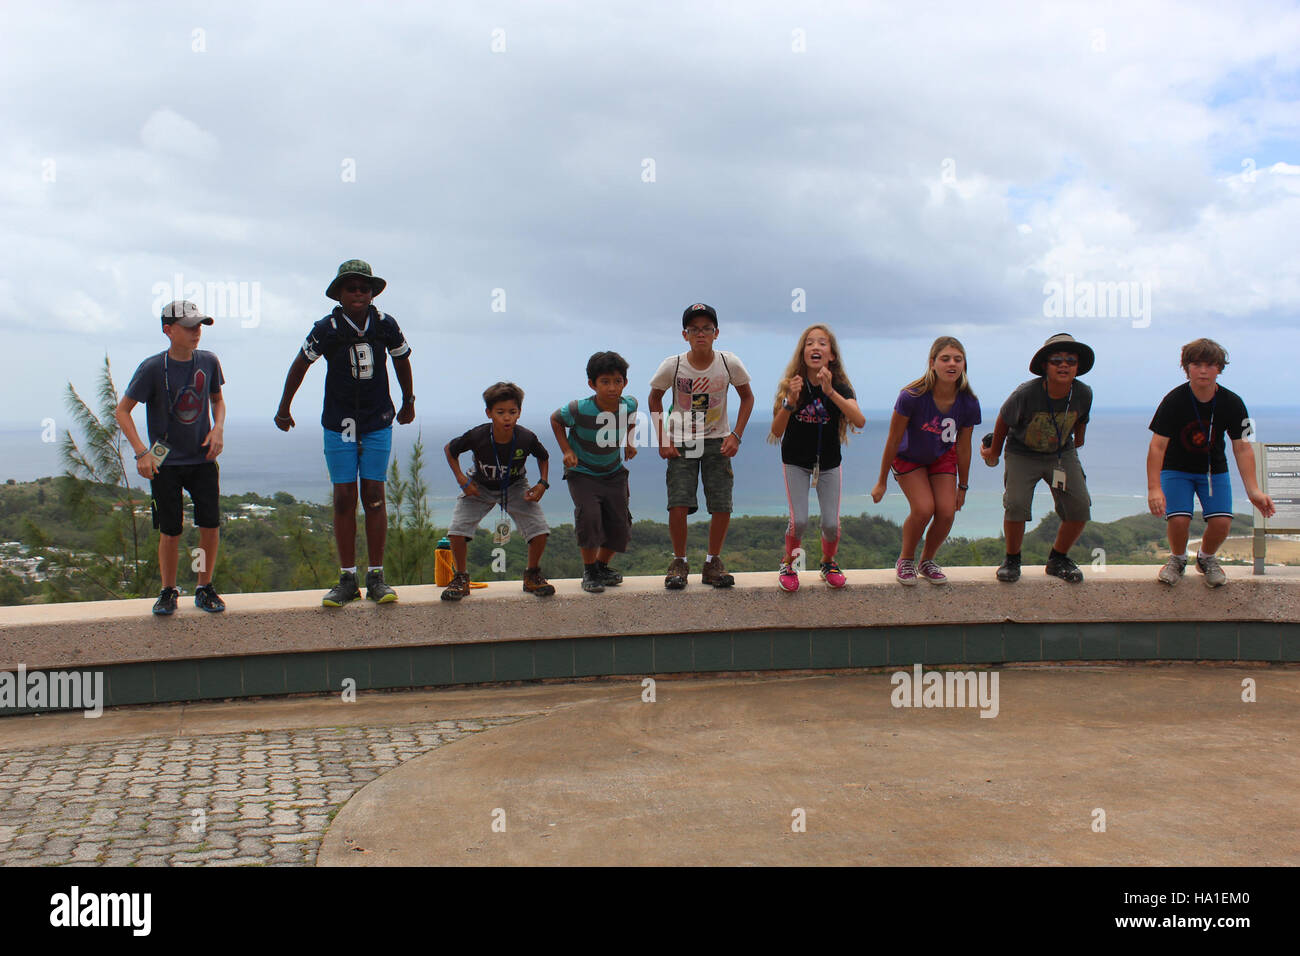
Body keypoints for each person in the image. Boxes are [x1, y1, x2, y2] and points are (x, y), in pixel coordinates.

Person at [273, 259, 415, 606]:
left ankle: (377, 576)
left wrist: (408, 400)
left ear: (371, 293)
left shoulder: (385, 325)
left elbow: (401, 360)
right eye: (351, 287)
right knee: (343, 498)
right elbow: (300, 364)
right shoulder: (327, 328)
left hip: (377, 420)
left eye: (364, 288)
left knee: (374, 494)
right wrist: (284, 407)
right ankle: (347, 577)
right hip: (339, 423)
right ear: (339, 293)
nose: (358, 293)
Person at [115, 300, 227, 615]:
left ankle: (204, 587)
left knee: (208, 525)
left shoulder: (209, 361)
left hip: (202, 458)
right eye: (190, 326)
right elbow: (122, 411)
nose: (197, 332)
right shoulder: (152, 367)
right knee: (170, 529)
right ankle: (168, 590)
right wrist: (141, 452)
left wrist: (217, 429)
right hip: (166, 462)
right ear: (169, 330)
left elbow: (218, 400)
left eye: (199, 326)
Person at [1147, 338, 1275, 587]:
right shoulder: (1174, 400)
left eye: (1210, 364)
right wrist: (1154, 488)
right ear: (1187, 368)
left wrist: (1253, 490)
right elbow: (1157, 445)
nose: (1203, 370)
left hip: (1212, 469)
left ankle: (1206, 558)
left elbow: (1242, 447)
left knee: (1222, 522)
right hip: (1176, 469)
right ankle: (1178, 559)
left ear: (1219, 368)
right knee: (1179, 519)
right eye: (1196, 364)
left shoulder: (1233, 402)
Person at [647, 303, 755, 589]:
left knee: (721, 504)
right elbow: (654, 398)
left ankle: (712, 562)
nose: (701, 334)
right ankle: (679, 562)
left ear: (716, 333)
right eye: (694, 329)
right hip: (682, 442)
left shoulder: (728, 362)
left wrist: (736, 436)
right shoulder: (673, 365)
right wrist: (663, 438)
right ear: (685, 335)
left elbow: (747, 397)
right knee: (678, 504)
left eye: (706, 328)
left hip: (717, 440)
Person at [979, 332, 1093, 583]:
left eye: (1070, 361)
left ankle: (1058, 558)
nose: (1064, 365)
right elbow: (1003, 420)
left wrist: (1076, 444)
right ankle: (1012, 559)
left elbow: (1081, 420)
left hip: (1061, 455)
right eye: (1057, 360)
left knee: (1079, 507)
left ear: (1078, 367)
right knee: (1017, 504)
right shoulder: (1026, 393)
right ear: (1045, 366)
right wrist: (994, 452)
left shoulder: (1083, 393)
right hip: (1022, 454)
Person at [871, 336, 980, 585]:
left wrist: (963, 487)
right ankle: (906, 559)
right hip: (909, 458)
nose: (951, 364)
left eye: (957, 359)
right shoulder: (911, 396)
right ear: (932, 363)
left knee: (946, 512)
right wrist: (881, 481)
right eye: (945, 359)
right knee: (923, 508)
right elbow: (893, 438)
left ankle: (927, 561)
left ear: (964, 364)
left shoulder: (969, 403)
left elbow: (964, 448)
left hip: (941, 458)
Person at [769, 324, 865, 591]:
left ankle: (828, 562)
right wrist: (790, 400)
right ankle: (789, 564)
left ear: (831, 355)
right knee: (798, 520)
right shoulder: (793, 385)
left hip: (828, 462)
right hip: (796, 461)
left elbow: (859, 420)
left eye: (822, 343)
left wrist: (830, 391)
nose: (815, 347)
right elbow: (776, 431)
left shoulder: (840, 387)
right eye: (810, 343)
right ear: (803, 353)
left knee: (831, 524)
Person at [441, 382, 555, 600]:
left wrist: (542, 483)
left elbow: (543, 456)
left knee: (540, 530)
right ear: (489, 413)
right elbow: (450, 449)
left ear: (519, 413)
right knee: (456, 530)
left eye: (512, 412)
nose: (506, 418)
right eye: (500, 412)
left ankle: (532, 575)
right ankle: (461, 578)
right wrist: (462, 479)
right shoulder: (478, 436)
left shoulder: (525, 438)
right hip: (479, 486)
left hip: (515, 486)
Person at [550, 351, 638, 593]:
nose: (612, 388)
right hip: (583, 473)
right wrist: (566, 450)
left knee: (620, 524)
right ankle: (589, 571)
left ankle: (601, 566)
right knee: (589, 517)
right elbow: (555, 420)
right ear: (592, 384)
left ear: (625, 383)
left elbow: (632, 418)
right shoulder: (579, 409)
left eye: (617, 381)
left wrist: (629, 442)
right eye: (605, 382)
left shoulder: (629, 404)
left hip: (613, 472)